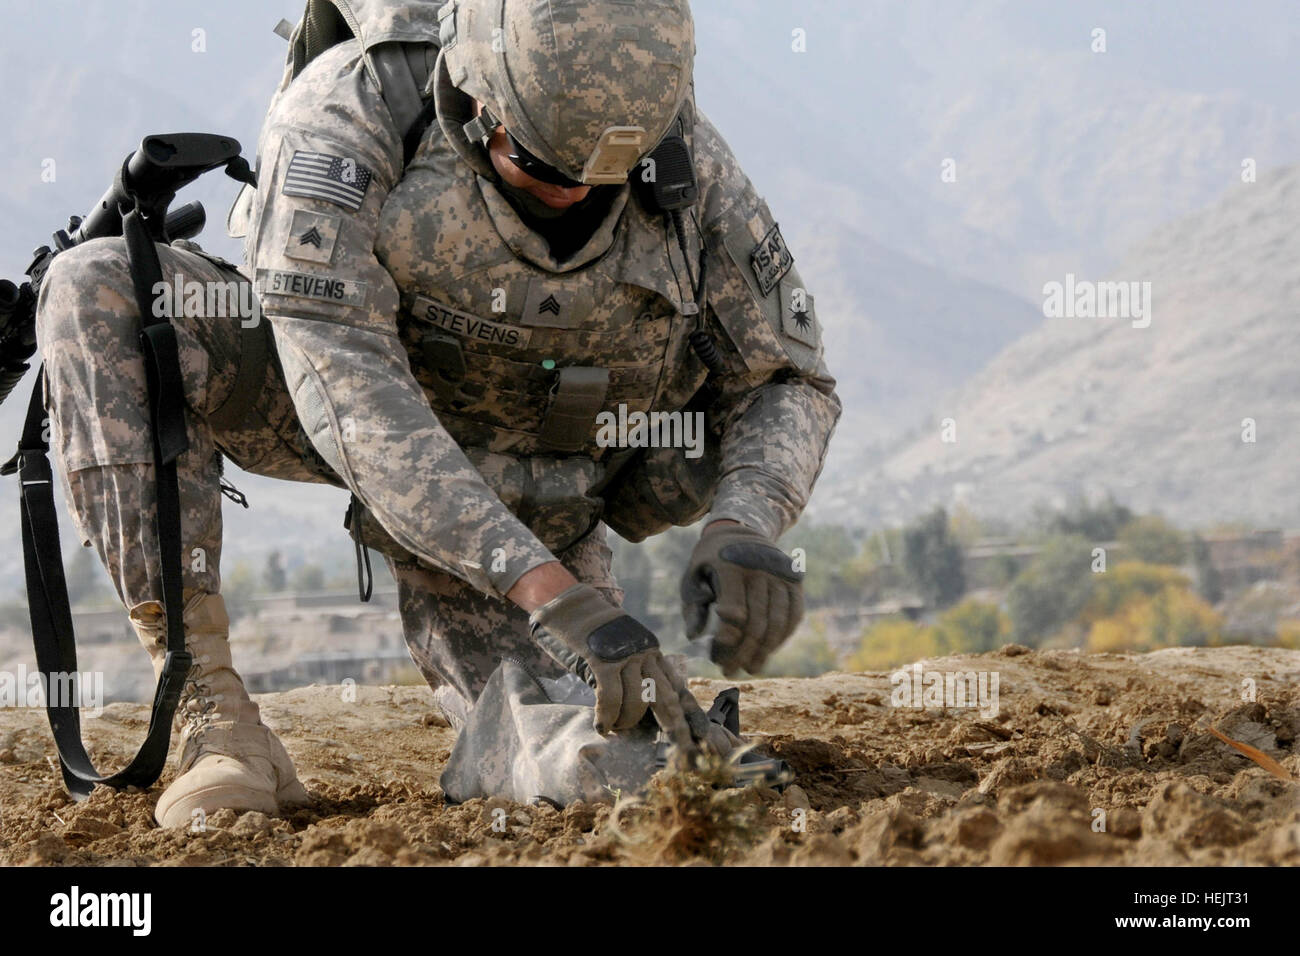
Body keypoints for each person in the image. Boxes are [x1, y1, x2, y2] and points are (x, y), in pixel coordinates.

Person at [35, 0, 839, 827]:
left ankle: (592, 733)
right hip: (333, 404)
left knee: (596, 755)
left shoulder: (684, 162)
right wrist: (549, 593)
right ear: (478, 98)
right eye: (545, 167)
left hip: (542, 481)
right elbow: (346, 383)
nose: (575, 195)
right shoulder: (355, 110)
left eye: (603, 180)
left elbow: (790, 380)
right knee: (101, 290)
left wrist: (743, 523)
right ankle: (215, 720)